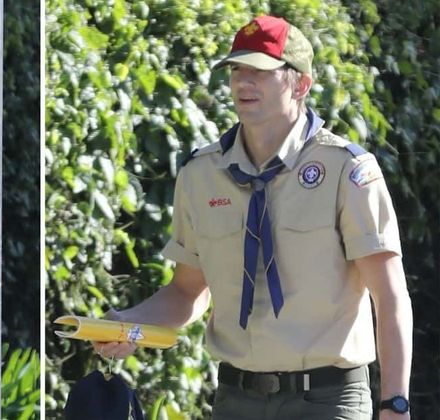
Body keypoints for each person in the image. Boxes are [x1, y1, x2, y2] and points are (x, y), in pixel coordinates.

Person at [94, 15, 413, 420]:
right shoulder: (201, 175)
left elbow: (389, 297)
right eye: (237, 70)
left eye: (260, 71)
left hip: (328, 401)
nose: (244, 82)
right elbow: (187, 292)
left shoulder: (346, 171)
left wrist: (395, 403)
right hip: (236, 400)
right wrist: (128, 324)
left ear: (301, 84)